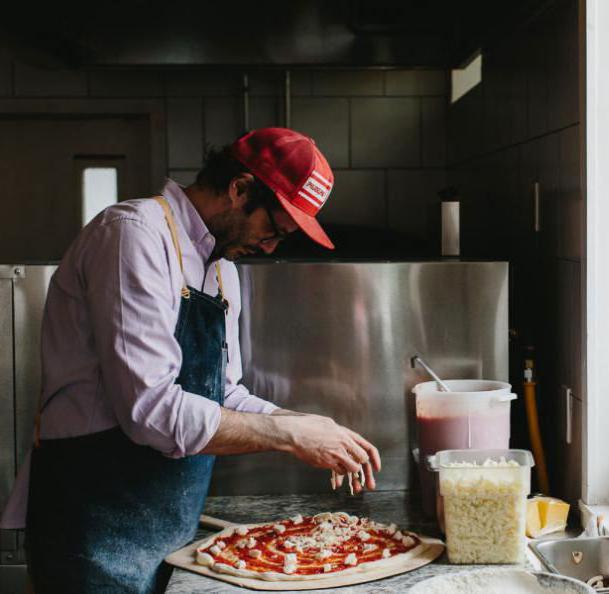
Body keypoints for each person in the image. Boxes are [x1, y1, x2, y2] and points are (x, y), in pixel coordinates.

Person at [0, 127, 381, 594]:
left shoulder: (222, 268)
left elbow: (226, 394)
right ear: (239, 189)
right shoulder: (133, 236)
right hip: (92, 520)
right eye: (274, 229)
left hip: (166, 525)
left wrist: (307, 423)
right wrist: (289, 434)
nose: (272, 248)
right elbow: (150, 412)